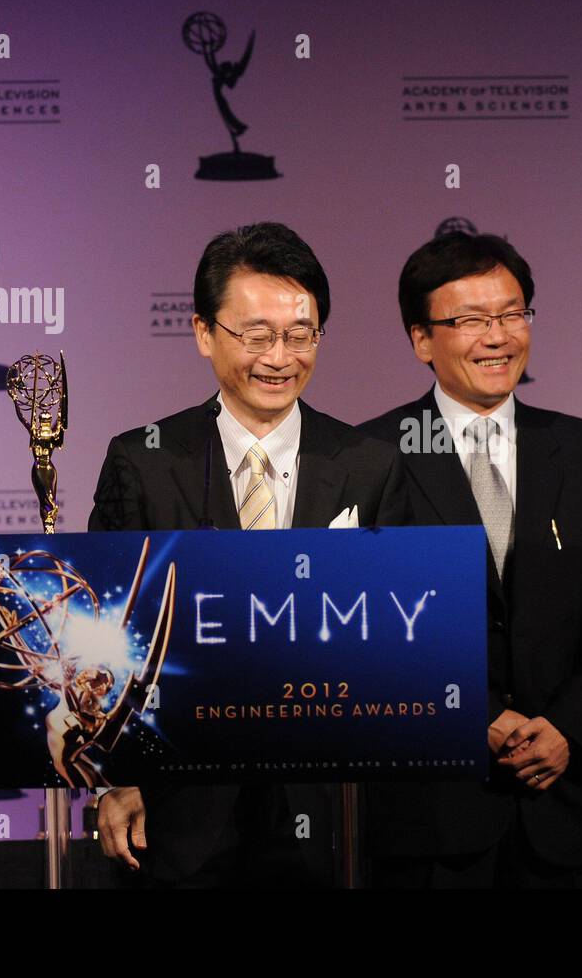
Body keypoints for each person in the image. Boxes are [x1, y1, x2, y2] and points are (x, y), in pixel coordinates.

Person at [89, 222, 407, 886]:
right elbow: (106, 635)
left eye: (300, 334)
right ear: (205, 333)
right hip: (180, 813)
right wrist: (116, 779)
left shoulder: (369, 466)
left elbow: (398, 636)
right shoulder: (143, 462)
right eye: (255, 335)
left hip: (330, 810)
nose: (279, 356)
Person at [359, 231, 582, 887]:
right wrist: (475, 717)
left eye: (511, 314)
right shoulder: (369, 459)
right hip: (433, 812)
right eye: (467, 321)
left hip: (571, 802)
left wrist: (568, 731)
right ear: (421, 340)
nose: (497, 337)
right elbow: (368, 629)